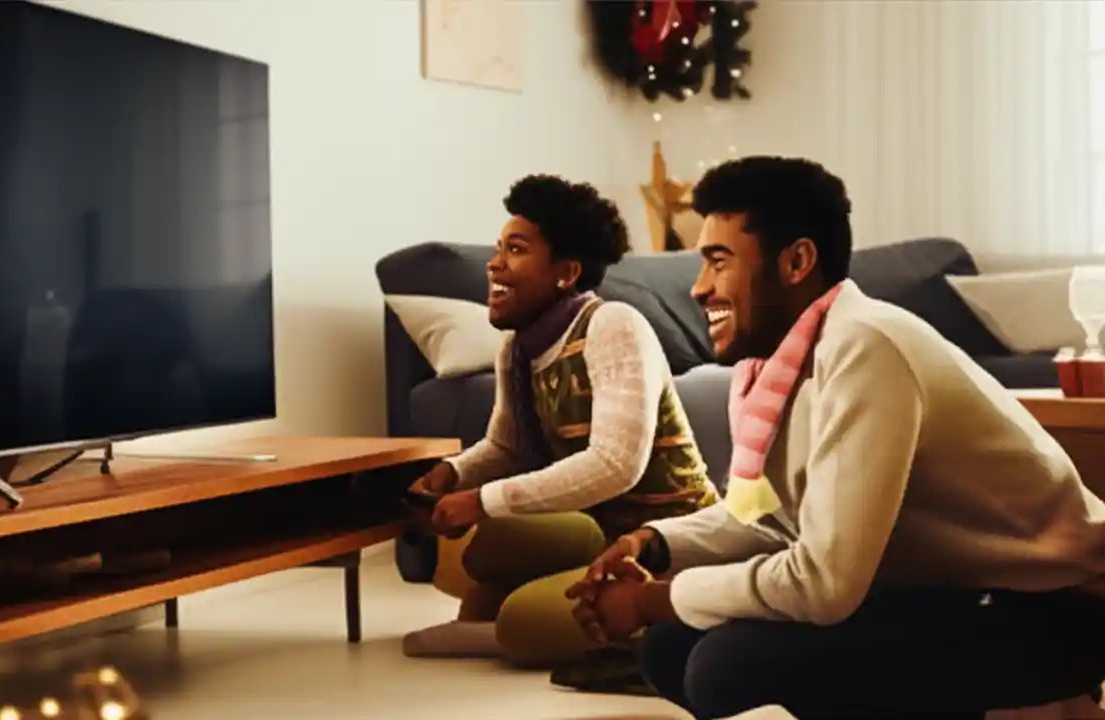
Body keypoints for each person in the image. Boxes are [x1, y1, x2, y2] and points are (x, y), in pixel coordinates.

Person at [566, 156, 1105, 719]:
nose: (700, 289)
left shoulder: (866, 346)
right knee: (671, 651)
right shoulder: (769, 370)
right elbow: (764, 518)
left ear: (797, 260)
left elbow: (823, 584)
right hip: (947, 593)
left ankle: (1035, 706)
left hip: (1053, 607)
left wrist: (655, 599)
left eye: (719, 262)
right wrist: (651, 544)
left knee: (726, 666)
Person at [401, 174, 716, 667]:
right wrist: (453, 475)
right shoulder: (517, 348)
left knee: (521, 621)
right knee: (484, 559)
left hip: (657, 540)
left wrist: (482, 501)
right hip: (591, 531)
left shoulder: (612, 325)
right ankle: (511, 623)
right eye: (499, 247)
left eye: (517, 249)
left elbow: (616, 465)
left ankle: (621, 619)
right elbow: (503, 448)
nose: (495, 263)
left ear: (566, 273)